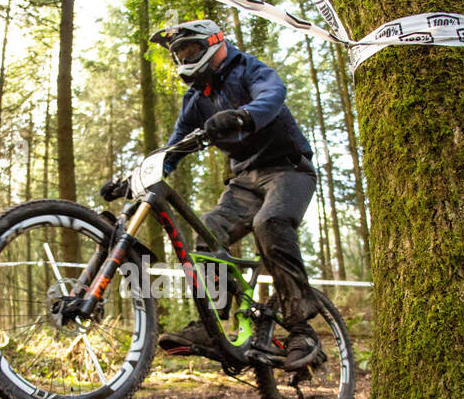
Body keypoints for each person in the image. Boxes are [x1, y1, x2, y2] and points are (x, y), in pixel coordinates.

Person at [102, 19, 325, 370]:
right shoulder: (195, 100)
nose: (185, 58)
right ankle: (214, 324)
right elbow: (171, 150)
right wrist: (131, 182)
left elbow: (273, 94)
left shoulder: (248, 69)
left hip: (289, 169)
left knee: (271, 223)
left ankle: (301, 330)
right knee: (207, 231)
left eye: (191, 50)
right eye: (179, 54)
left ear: (215, 43)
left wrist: (242, 116)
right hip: (245, 180)